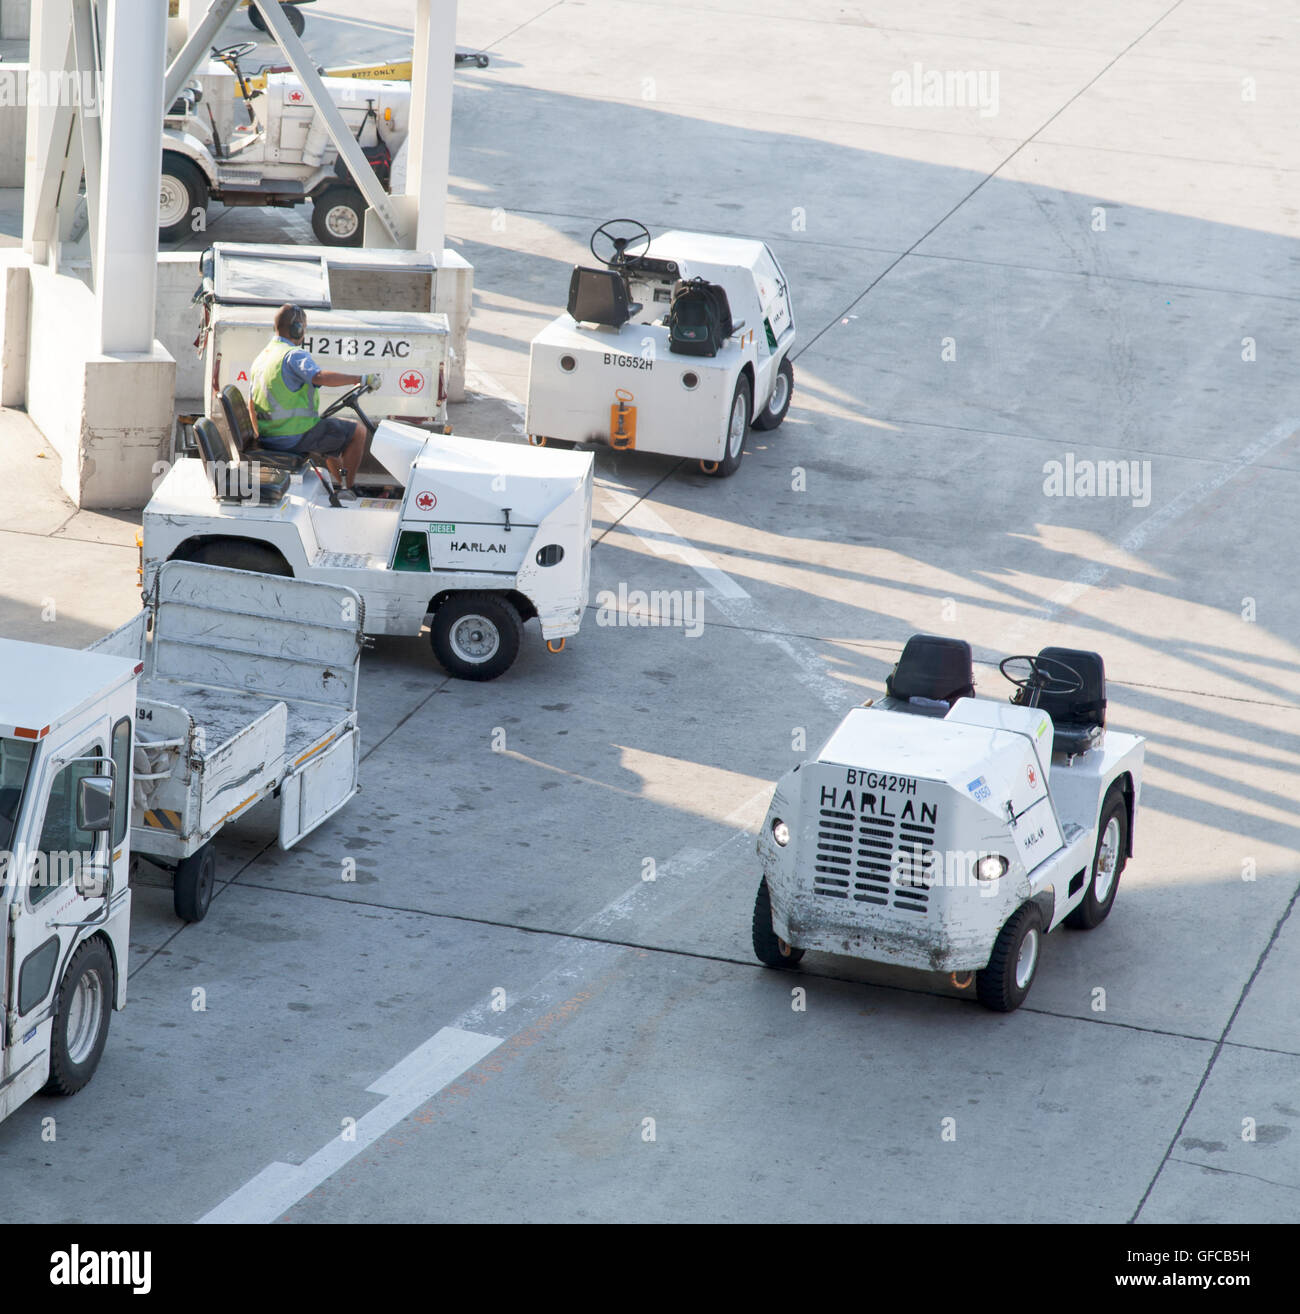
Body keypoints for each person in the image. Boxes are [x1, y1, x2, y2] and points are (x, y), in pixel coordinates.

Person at [248, 304, 381, 492]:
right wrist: (359, 379)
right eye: (304, 327)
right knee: (358, 431)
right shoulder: (293, 354)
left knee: (328, 430)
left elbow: (251, 404)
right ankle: (349, 490)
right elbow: (319, 377)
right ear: (298, 328)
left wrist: (259, 436)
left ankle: (341, 487)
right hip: (294, 436)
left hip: (271, 437)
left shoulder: (262, 357)